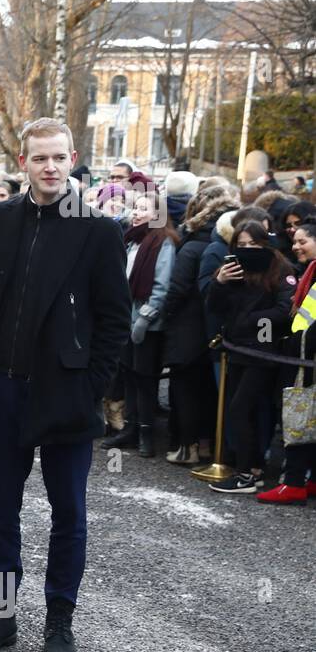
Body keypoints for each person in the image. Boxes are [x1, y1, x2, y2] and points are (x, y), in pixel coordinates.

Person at [0, 117, 130, 652]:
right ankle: (2, 615)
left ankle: (60, 618)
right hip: (4, 388)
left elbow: (113, 322)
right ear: (22, 160)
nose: (50, 167)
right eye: (40, 158)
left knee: (69, 512)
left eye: (59, 158)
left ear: (74, 157)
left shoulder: (99, 230)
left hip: (67, 393)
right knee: (2, 509)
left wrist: (91, 389)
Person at [206, 220, 296, 494]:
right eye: (241, 245)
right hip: (236, 349)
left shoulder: (280, 268)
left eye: (253, 244)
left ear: (265, 243)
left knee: (241, 409)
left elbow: (285, 310)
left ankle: (247, 473)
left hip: (264, 351)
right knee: (242, 410)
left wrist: (250, 321)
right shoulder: (232, 267)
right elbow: (215, 306)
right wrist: (219, 282)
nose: (247, 249)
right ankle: (252, 468)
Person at [161, 192, 238, 465]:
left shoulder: (193, 245)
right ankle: (206, 446)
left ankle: (188, 447)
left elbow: (178, 288)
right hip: (216, 332)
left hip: (187, 328)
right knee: (208, 391)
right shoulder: (231, 247)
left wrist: (165, 314)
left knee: (185, 391)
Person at [101, 191, 179, 458]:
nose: (135, 212)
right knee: (129, 376)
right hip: (126, 320)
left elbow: (162, 287)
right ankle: (131, 427)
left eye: (143, 208)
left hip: (147, 325)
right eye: (135, 207)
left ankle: (146, 432)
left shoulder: (163, 243)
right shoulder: (133, 241)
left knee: (145, 380)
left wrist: (144, 319)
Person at [258, 222, 316, 504]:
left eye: (302, 241)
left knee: (299, 417)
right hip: (302, 356)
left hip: (308, 360)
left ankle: (293, 482)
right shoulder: (310, 271)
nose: (295, 246)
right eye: (294, 241)